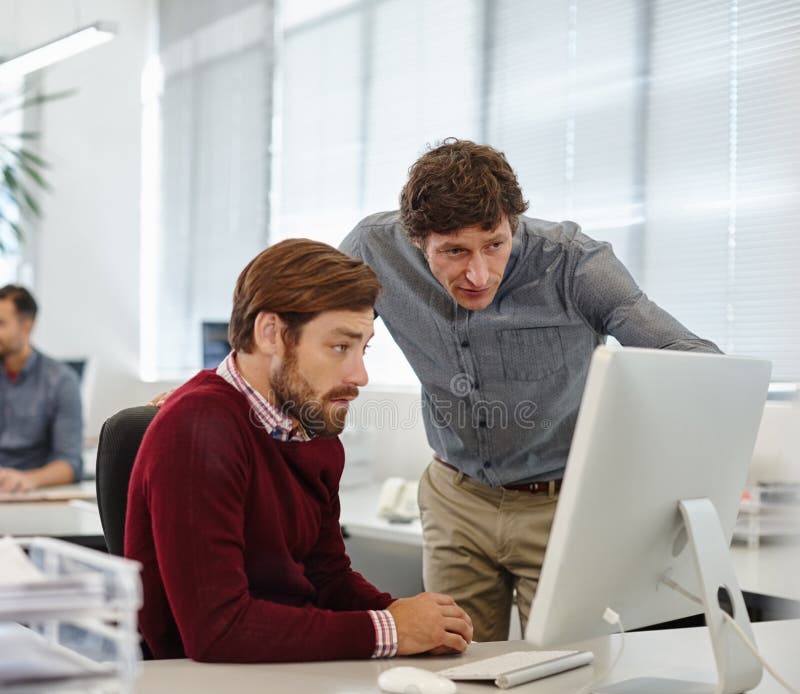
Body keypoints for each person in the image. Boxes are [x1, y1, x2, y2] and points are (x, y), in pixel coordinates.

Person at [340, 139, 721, 643]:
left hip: (562, 508)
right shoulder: (373, 248)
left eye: (494, 244)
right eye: (454, 251)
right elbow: (310, 330)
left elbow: (695, 363)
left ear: (512, 223)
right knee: (454, 671)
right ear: (416, 240)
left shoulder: (575, 265)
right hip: (455, 501)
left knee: (570, 680)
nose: (478, 273)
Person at [125, 238, 473, 662]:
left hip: (286, 671)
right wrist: (392, 630)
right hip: (209, 689)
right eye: (340, 347)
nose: (360, 375)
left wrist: (401, 614)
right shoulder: (198, 428)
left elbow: (324, 576)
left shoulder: (311, 427)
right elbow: (218, 631)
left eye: (363, 349)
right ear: (271, 333)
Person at [0, 284, 83, 493]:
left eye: (1, 323)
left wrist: (29, 479)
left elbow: (69, 464)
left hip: (31, 493)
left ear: (26, 326)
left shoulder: (61, 381)